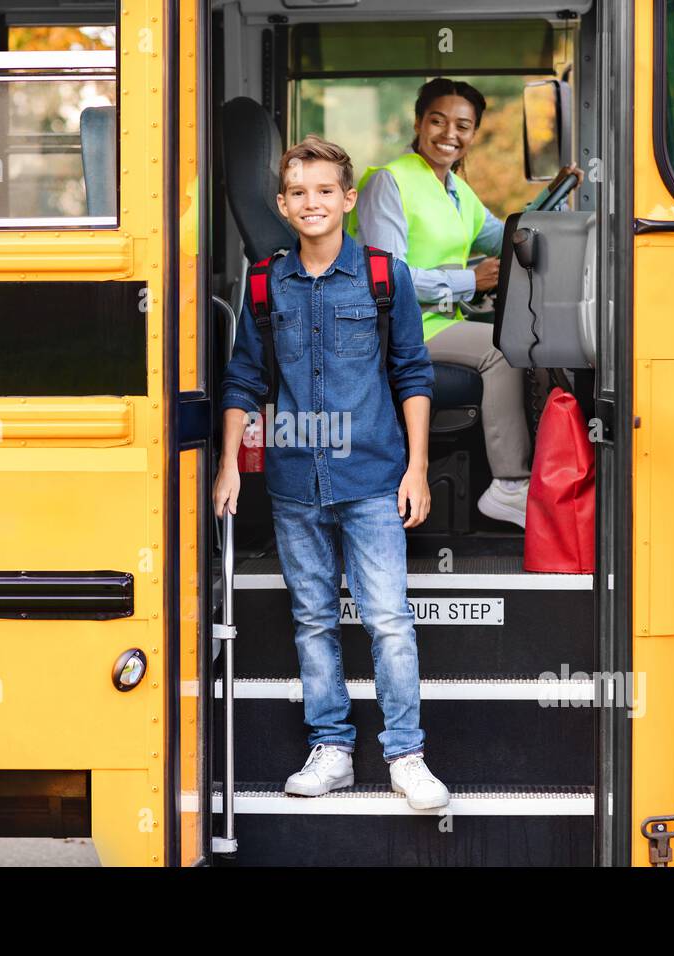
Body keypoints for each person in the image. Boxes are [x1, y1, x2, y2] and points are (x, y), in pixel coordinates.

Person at [213, 134, 449, 810]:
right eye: (297, 193)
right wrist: (229, 465)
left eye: (325, 191)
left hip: (374, 478)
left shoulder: (384, 276)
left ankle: (406, 755)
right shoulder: (265, 281)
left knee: (388, 620)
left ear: (348, 199)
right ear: (284, 206)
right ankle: (332, 750)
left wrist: (418, 469)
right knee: (313, 619)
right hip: (293, 485)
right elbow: (242, 380)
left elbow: (412, 373)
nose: (311, 202)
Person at [350, 77, 531, 527]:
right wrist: (468, 280)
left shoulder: (456, 190)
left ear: (474, 134)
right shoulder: (388, 182)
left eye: (463, 126)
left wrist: (556, 211)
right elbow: (386, 276)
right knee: (503, 351)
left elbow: (507, 236)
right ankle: (510, 485)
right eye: (438, 120)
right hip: (395, 330)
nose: (450, 133)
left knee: (537, 346)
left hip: (435, 322)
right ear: (418, 122)